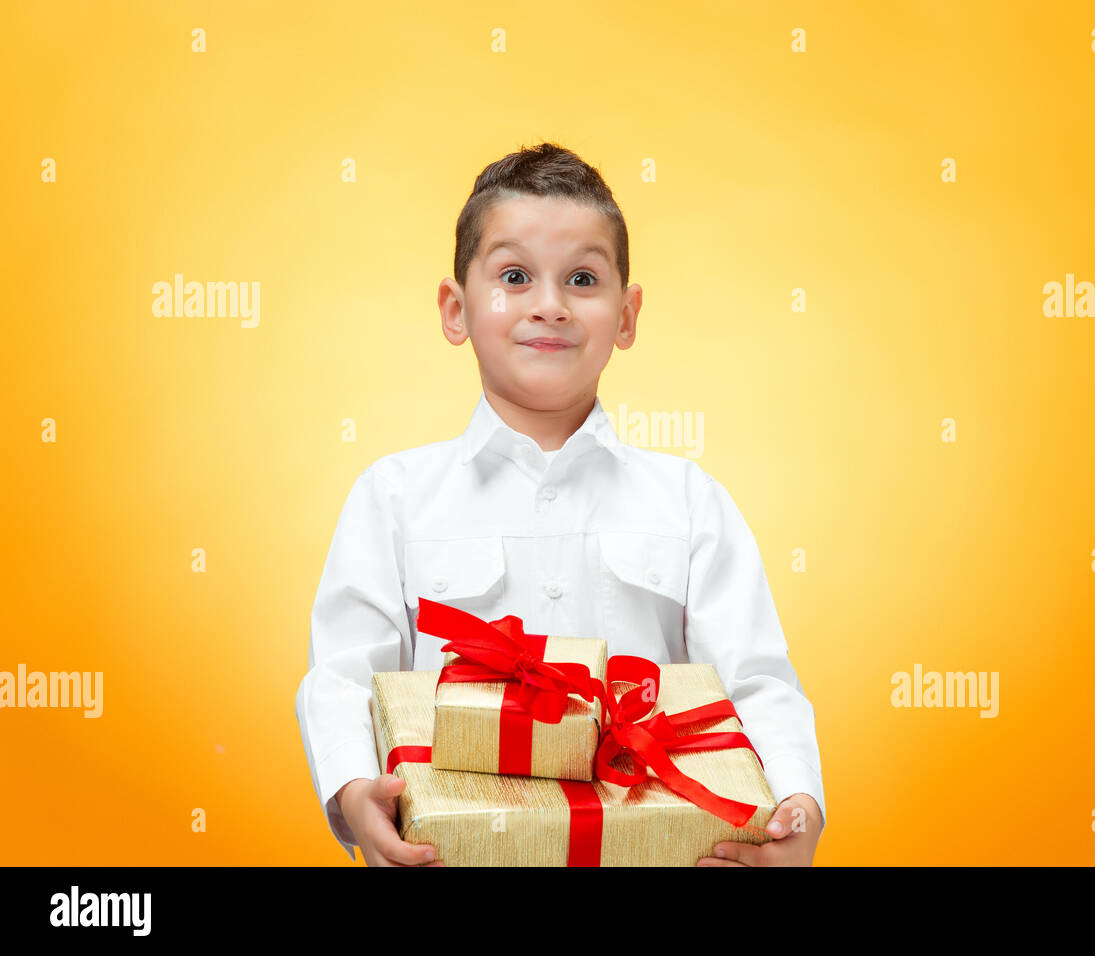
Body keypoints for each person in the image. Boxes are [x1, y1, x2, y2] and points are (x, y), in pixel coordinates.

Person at [295, 142, 826, 866]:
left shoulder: (689, 501)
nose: (549, 305)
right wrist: (356, 791)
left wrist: (799, 804)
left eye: (582, 279)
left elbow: (757, 679)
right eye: (514, 276)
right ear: (456, 309)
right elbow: (343, 677)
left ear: (627, 315)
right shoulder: (392, 498)